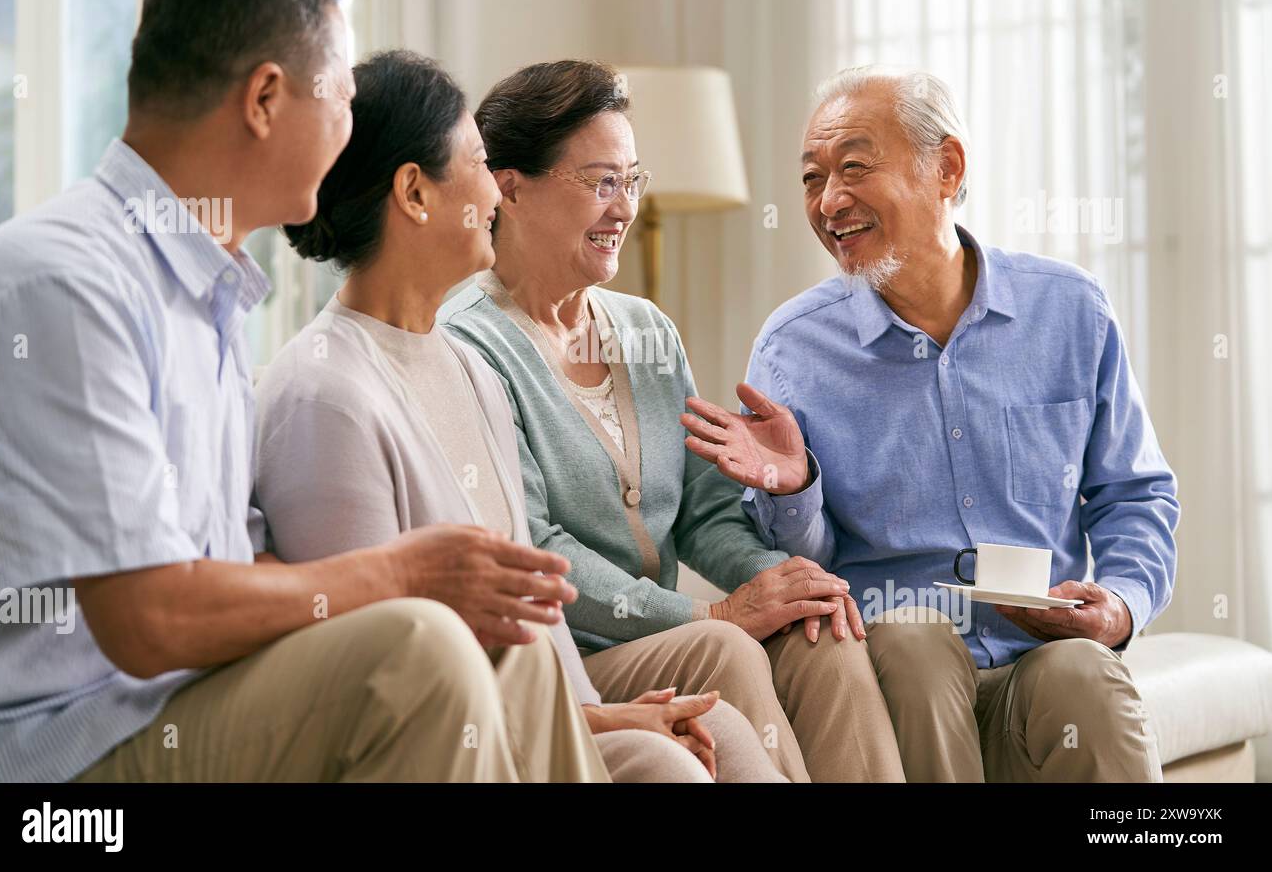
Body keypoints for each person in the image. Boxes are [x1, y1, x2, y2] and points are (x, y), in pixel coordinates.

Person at [0, 0, 603, 783]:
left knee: (503, 644)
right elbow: (147, 617)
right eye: (339, 95)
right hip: (71, 746)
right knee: (419, 651)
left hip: (186, 700)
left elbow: (237, 562)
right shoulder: (62, 282)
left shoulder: (212, 297)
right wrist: (401, 572)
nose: (349, 128)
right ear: (267, 98)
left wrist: (441, 586)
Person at [254, 49, 787, 782]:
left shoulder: (464, 366)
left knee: (711, 726)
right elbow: (385, 666)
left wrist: (607, 714)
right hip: (448, 743)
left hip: (536, 709)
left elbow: (529, 602)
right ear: (414, 192)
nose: (497, 193)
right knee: (677, 765)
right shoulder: (325, 394)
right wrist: (591, 720)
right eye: (478, 162)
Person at [682, 64, 1178, 782]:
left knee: (1084, 675)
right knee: (914, 640)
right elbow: (803, 563)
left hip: (1036, 664)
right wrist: (794, 488)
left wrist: (1121, 607)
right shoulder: (793, 348)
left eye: (854, 167)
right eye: (812, 179)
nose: (829, 201)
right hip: (897, 675)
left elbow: (1136, 494)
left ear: (946, 168)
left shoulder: (1070, 311)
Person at [441, 60, 906, 783]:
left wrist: (781, 584)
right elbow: (535, 544)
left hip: (668, 635)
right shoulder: (469, 343)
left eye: (632, 181)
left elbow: (706, 514)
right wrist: (711, 620)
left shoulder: (646, 330)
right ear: (511, 187)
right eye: (601, 182)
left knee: (823, 630)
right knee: (725, 651)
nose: (624, 207)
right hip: (568, 654)